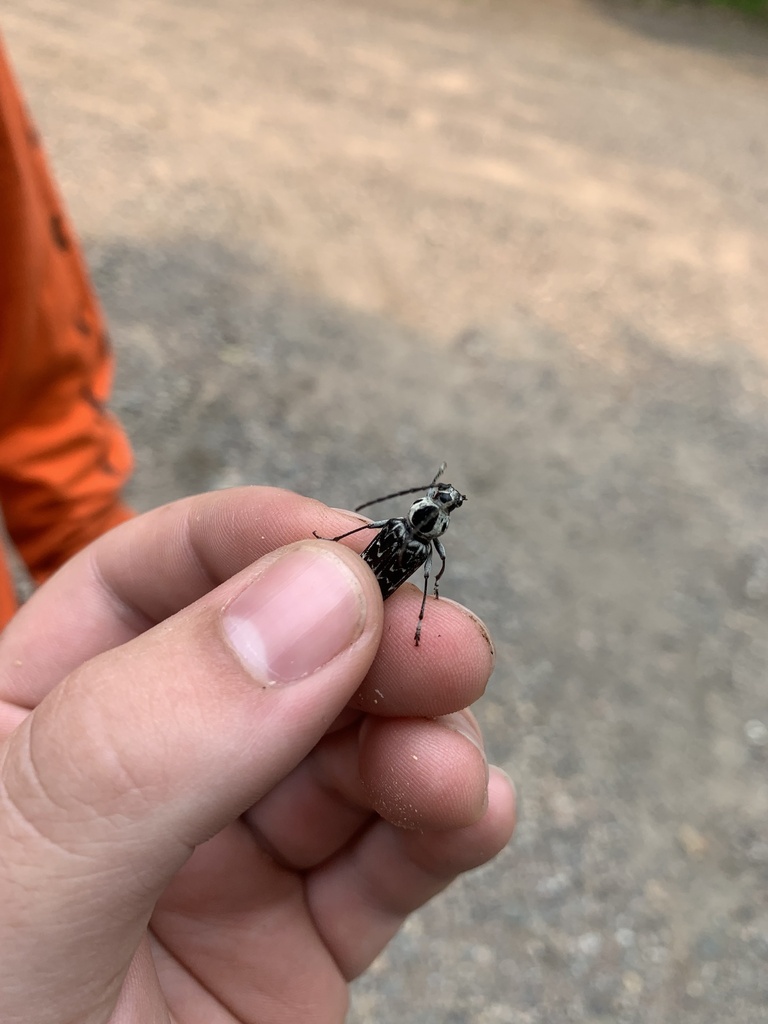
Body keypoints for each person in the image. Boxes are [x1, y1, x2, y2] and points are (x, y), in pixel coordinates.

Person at [0, 37, 516, 1024]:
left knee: (386, 578)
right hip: (359, 581)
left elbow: (397, 535)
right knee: (381, 582)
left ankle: (385, 606)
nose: (432, 510)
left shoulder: (408, 527)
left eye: (436, 508)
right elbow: (394, 528)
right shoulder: (406, 522)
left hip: (362, 578)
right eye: (435, 504)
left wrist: (387, 583)